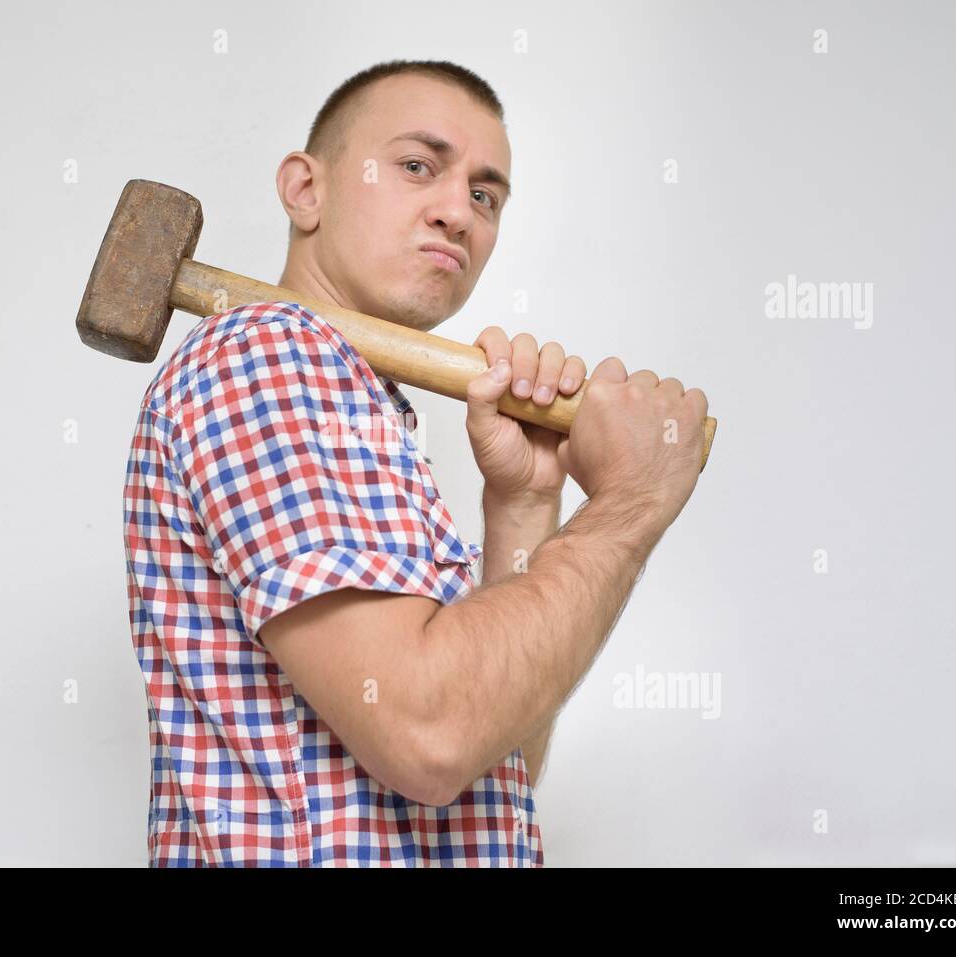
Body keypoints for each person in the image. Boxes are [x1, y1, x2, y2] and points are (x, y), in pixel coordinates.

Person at [123, 59, 707, 866]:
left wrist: (525, 506)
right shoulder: (269, 355)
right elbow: (431, 736)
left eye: (484, 195)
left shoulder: (357, 403)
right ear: (306, 190)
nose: (458, 214)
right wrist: (631, 504)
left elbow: (496, 756)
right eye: (417, 166)